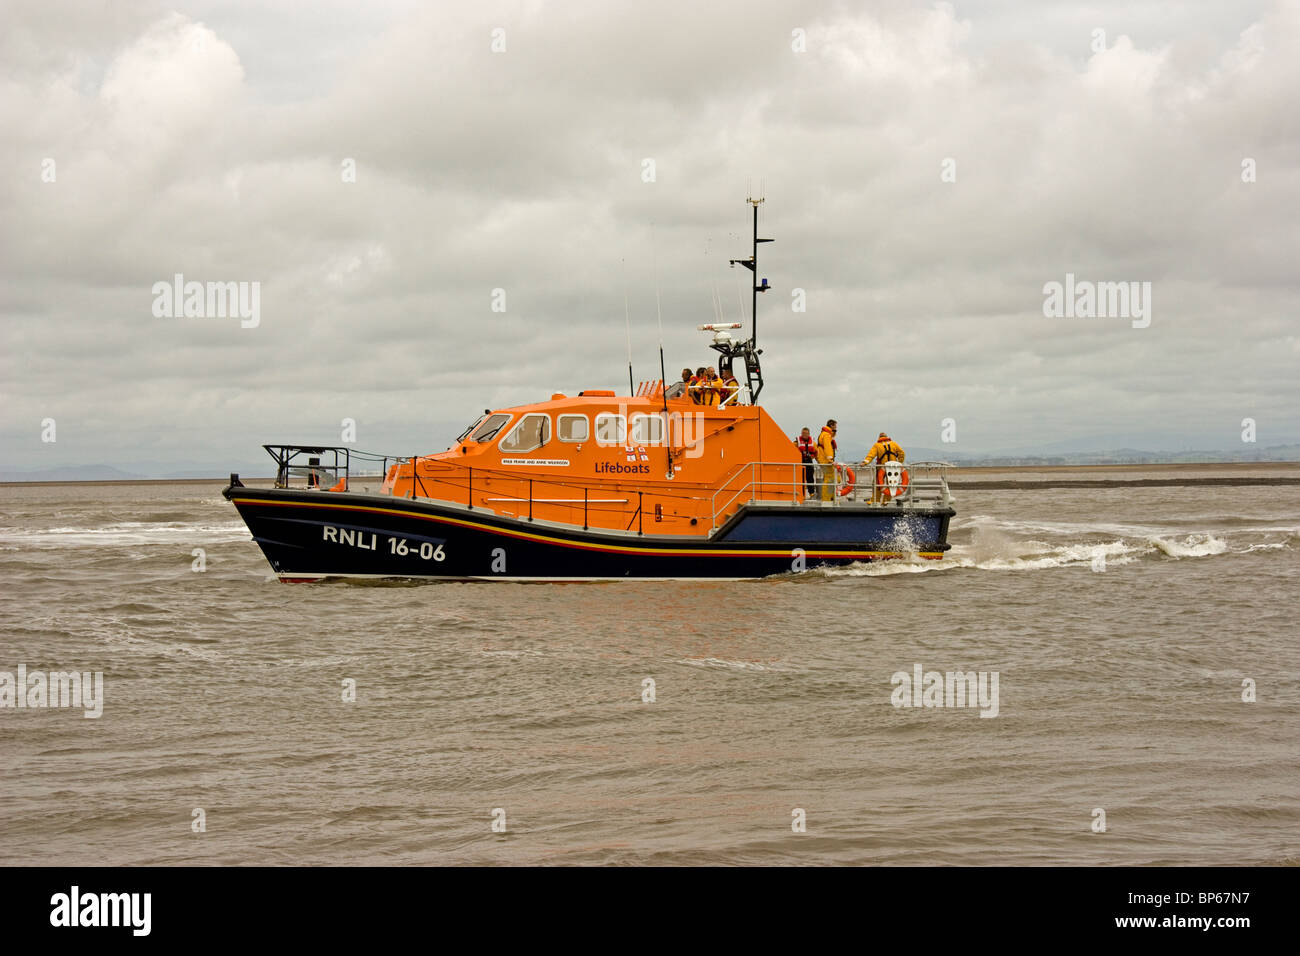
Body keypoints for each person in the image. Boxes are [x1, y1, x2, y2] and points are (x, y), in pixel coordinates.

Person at [861, 432, 905, 502]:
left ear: (879, 438)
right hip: (893, 468)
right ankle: (886, 501)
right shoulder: (894, 444)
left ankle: (875, 500)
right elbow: (902, 453)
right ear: (887, 437)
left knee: (877, 485)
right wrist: (899, 462)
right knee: (891, 485)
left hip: (881, 467)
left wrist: (864, 462)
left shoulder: (877, 445)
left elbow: (871, 455)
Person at [816, 419, 838, 502]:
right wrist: (830, 459)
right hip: (825, 461)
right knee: (829, 478)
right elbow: (828, 447)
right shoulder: (826, 435)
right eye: (835, 426)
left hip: (823, 460)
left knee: (830, 478)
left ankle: (830, 496)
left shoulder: (824, 434)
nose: (836, 428)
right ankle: (826, 498)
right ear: (831, 426)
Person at [793, 427, 817, 498]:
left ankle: (812, 493)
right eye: (803, 433)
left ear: (809, 434)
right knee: (801, 478)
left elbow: (816, 452)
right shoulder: (796, 442)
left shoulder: (813, 443)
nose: (804, 435)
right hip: (800, 462)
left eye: (806, 433)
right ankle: (802, 494)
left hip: (809, 461)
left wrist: (812, 457)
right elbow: (792, 451)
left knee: (810, 478)